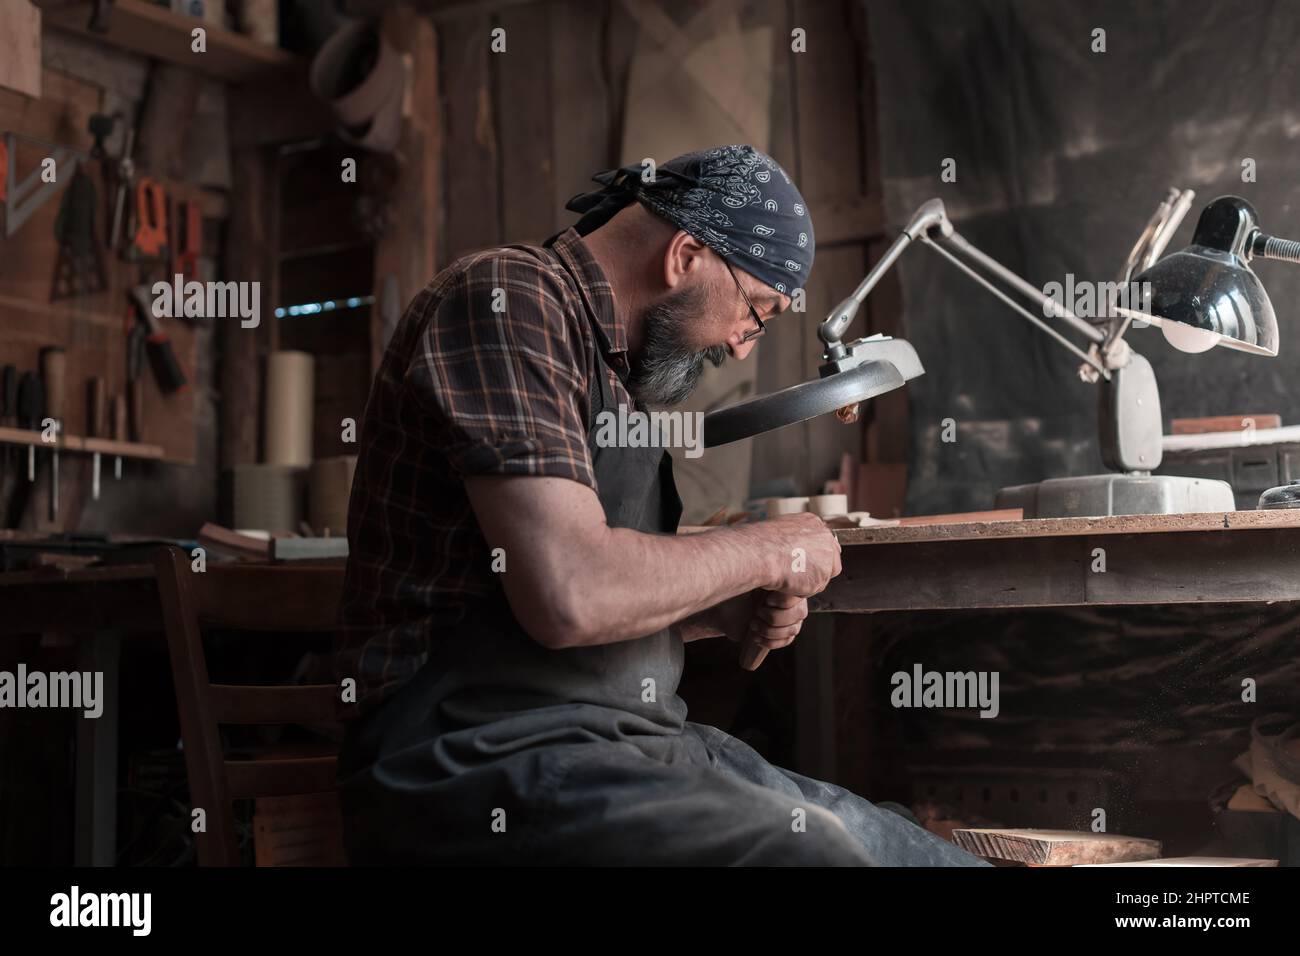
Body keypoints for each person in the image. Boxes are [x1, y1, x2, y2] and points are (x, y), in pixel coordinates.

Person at [335, 144, 988, 866]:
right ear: (685, 256)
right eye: (756, 313)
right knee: (809, 853)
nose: (743, 349)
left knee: (915, 854)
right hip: (469, 754)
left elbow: (573, 591)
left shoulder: (611, 367)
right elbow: (570, 593)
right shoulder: (506, 301)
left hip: (625, 745)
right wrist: (764, 548)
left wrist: (715, 606)